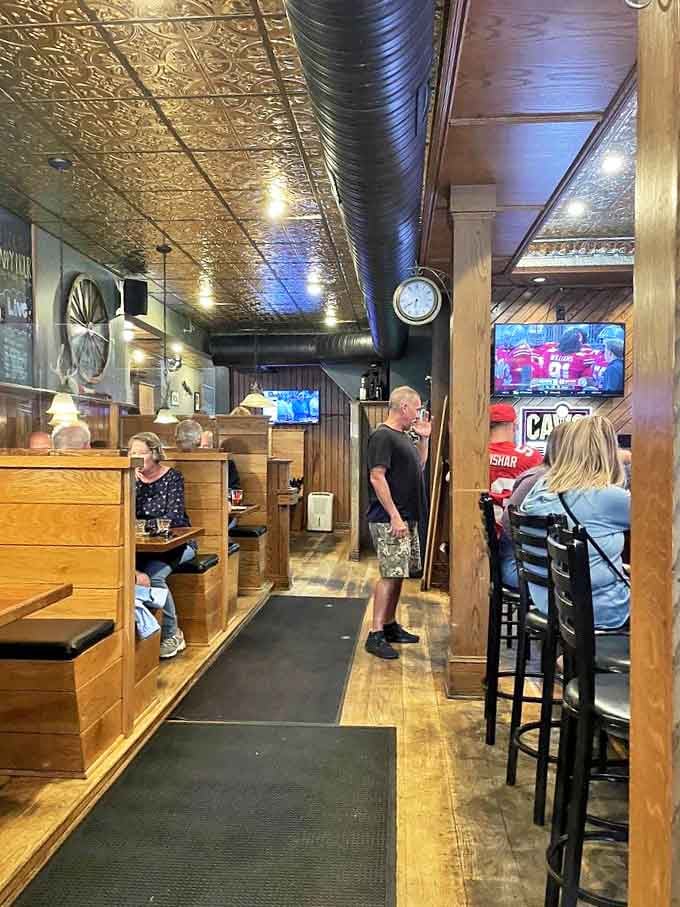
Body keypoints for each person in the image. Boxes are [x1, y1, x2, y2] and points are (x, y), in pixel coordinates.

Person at [521, 415, 630, 629]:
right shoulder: (606, 497)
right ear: (609, 452)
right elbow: (658, 521)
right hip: (597, 607)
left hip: (548, 600)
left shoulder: (540, 488)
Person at [365, 386, 432, 660]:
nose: (418, 414)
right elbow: (376, 477)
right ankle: (375, 633)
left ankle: (390, 625)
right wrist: (394, 515)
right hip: (389, 519)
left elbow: (420, 465)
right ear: (403, 407)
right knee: (390, 574)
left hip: (406, 516)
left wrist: (424, 439)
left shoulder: (403, 436)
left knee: (399, 572)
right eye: (416, 408)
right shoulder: (382, 436)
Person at [129, 431, 195, 658]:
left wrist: (142, 525)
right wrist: (132, 484)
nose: (136, 458)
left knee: (154, 577)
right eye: (132, 453)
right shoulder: (129, 479)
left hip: (178, 545)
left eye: (141, 453)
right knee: (131, 576)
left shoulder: (172, 478)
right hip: (140, 548)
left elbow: (174, 518)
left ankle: (172, 634)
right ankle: (141, 641)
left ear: (155, 454)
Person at [498, 420, 570, 589]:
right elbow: (508, 521)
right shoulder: (540, 478)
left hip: (526, 568)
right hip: (523, 571)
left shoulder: (537, 474)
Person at [488, 403, 543, 527]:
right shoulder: (531, 456)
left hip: (479, 529)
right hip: (517, 530)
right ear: (514, 425)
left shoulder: (477, 455)